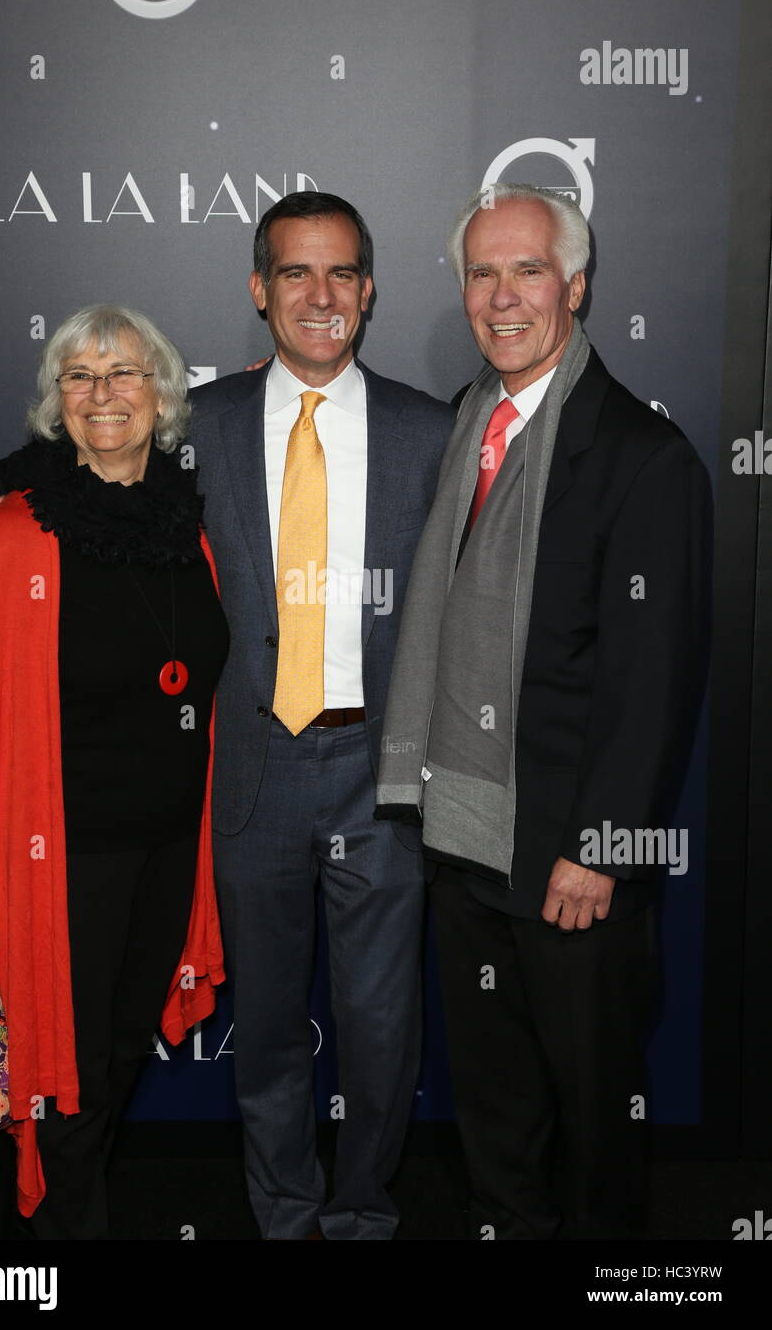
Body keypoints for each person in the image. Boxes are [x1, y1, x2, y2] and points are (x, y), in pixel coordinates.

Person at [376, 183, 713, 1239]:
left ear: (575, 284)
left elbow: (652, 679)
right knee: (496, 1117)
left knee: (594, 1132)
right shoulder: (465, 429)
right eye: (482, 273)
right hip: (466, 839)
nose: (502, 295)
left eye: (527, 270)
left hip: (571, 865)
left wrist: (596, 847)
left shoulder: (641, 457)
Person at [190, 191, 455, 1239]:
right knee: (263, 1027)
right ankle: (283, 1211)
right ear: (259, 291)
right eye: (295, 272)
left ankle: (359, 1212)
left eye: (340, 272)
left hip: (376, 766)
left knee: (381, 1022)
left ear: (370, 290)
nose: (319, 294)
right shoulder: (198, 426)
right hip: (252, 766)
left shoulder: (424, 429)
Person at [0, 304, 228, 1239]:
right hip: (56, 858)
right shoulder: (14, 535)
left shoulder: (194, 523)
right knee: (65, 1068)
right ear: (56, 400)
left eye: (125, 375)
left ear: (163, 395)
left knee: (107, 1061)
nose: (104, 395)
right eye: (80, 376)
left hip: (171, 849)